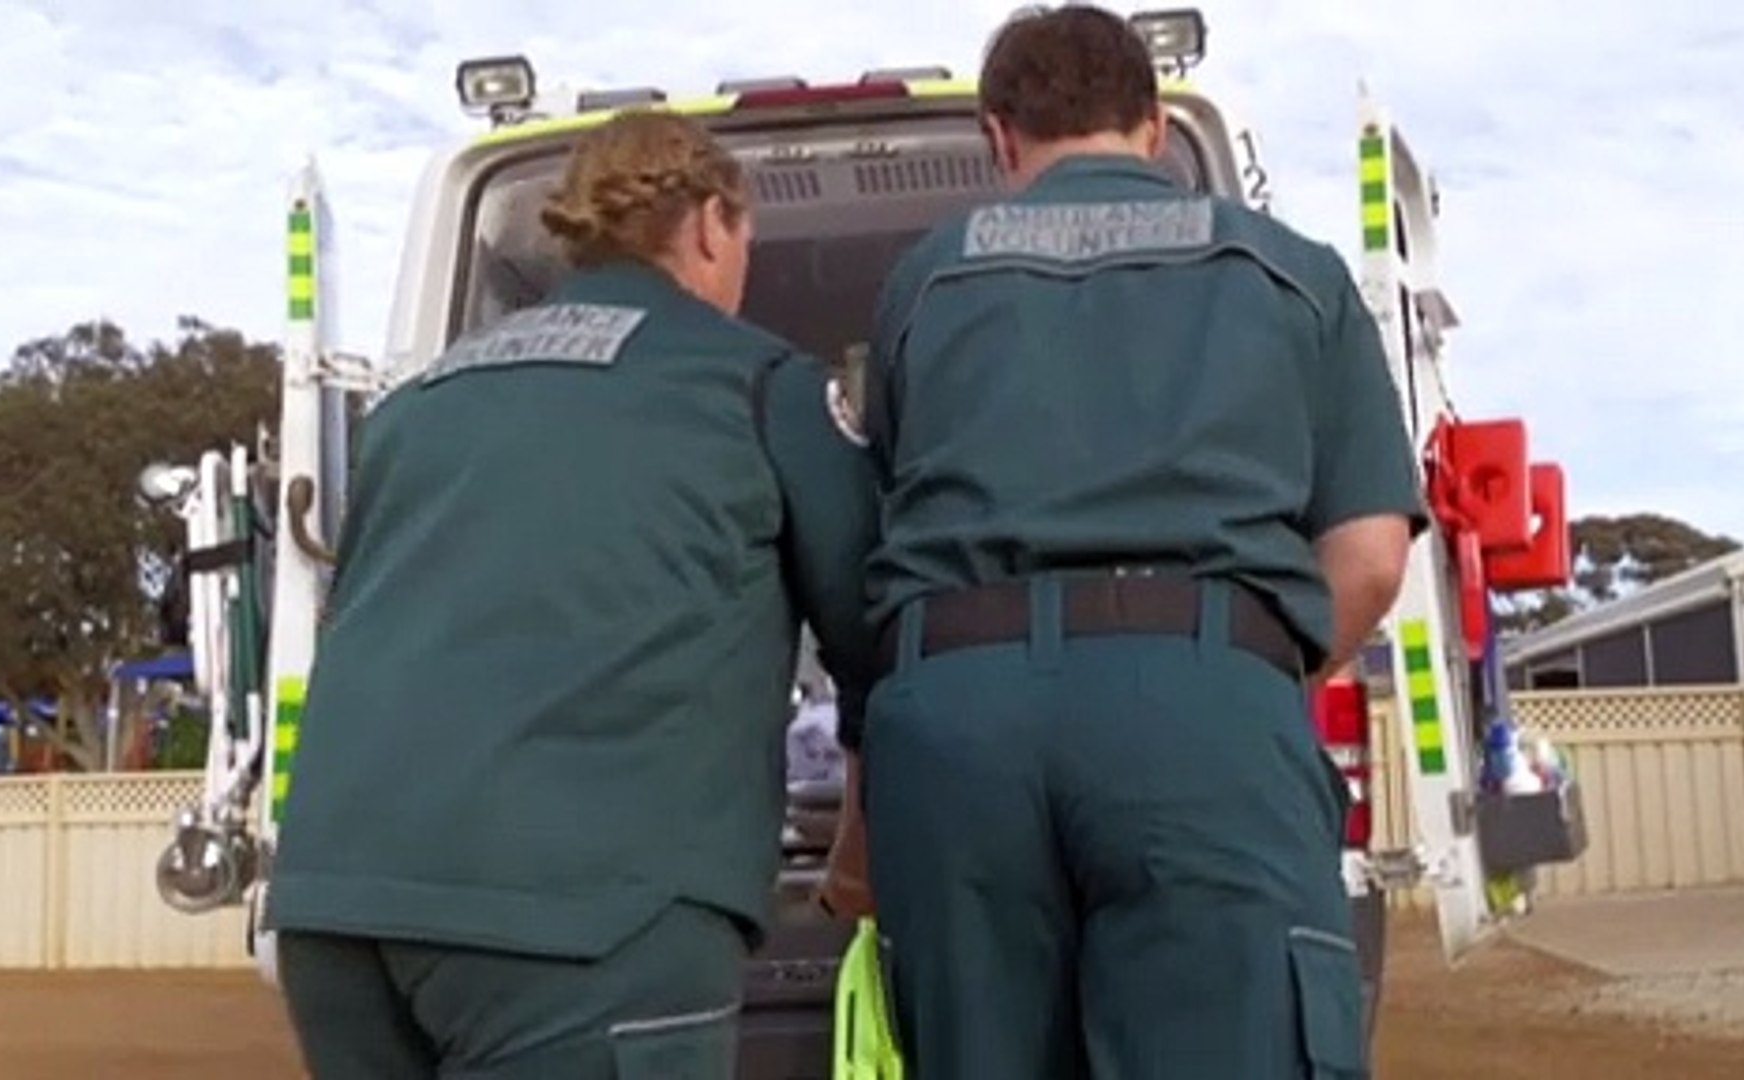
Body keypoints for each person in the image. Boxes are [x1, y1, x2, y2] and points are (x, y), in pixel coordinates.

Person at [822, 5, 1427, 1078]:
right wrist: (1237, 675)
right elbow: (1374, 554)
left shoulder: (924, 280)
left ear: (998, 139)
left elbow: (885, 546)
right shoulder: (1294, 273)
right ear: (1154, 128)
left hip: (958, 727)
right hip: (1201, 707)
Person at [265, 111, 879, 1079]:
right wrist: (858, 861)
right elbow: (875, 646)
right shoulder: (762, 387)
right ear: (714, 225)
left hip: (336, 907)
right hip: (584, 924)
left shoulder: (422, 400)